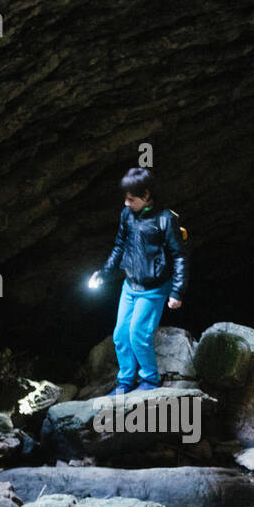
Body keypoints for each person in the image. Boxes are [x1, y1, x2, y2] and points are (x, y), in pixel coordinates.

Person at [91, 168, 187, 394]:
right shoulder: (127, 215)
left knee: (139, 333)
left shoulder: (165, 220)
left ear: (146, 195)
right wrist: (104, 272)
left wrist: (177, 291)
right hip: (130, 285)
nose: (126, 203)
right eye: (125, 197)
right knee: (120, 335)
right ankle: (125, 381)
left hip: (154, 289)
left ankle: (150, 380)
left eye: (131, 199)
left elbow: (180, 257)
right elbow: (119, 246)